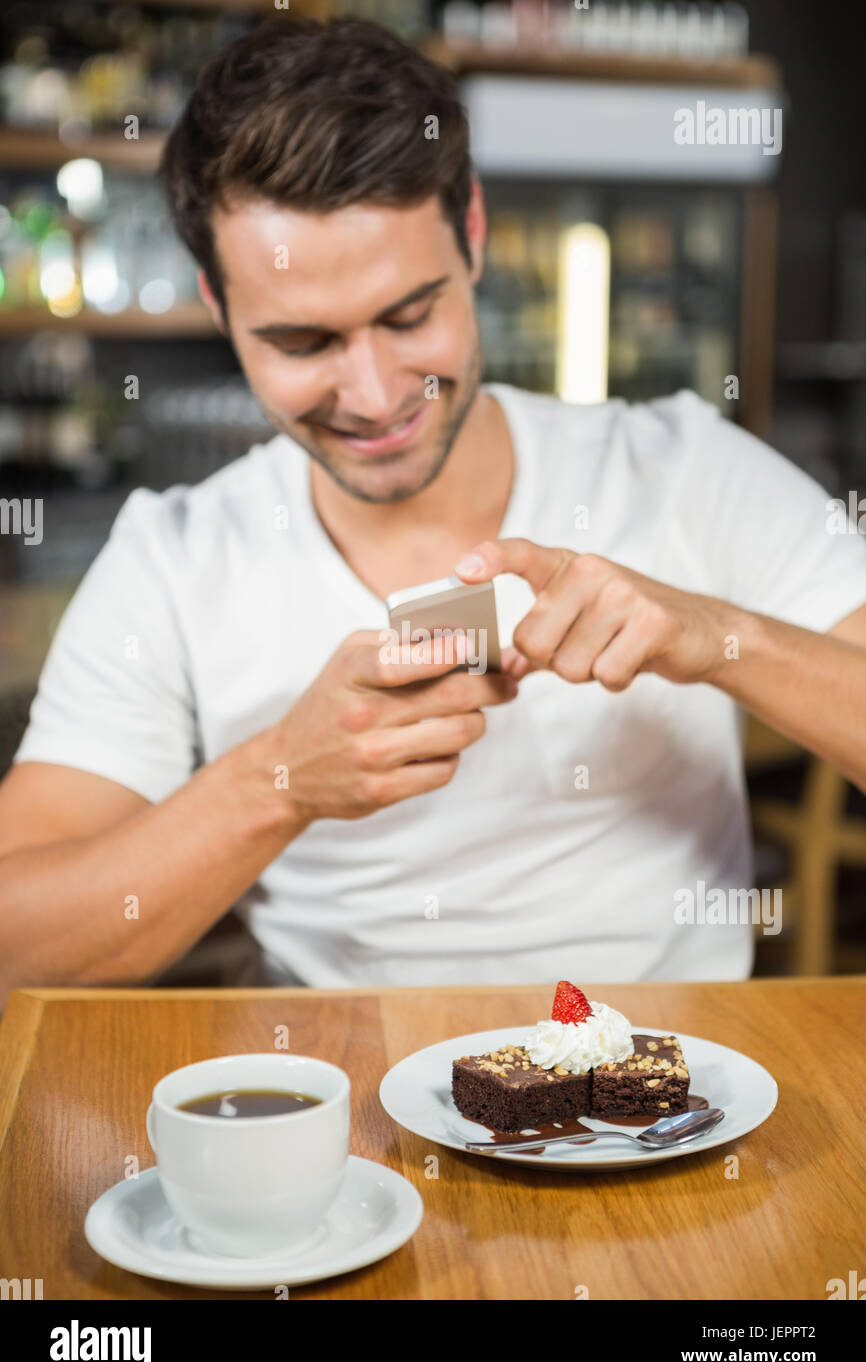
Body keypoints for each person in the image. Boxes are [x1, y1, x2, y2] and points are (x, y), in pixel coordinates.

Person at [2, 17, 866, 1007]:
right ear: (216, 303)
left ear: (473, 237)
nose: (372, 395)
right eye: (301, 340)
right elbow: (14, 943)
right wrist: (274, 780)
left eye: (409, 317)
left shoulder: (680, 468)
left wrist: (717, 638)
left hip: (672, 1094)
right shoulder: (172, 555)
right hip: (347, 1120)